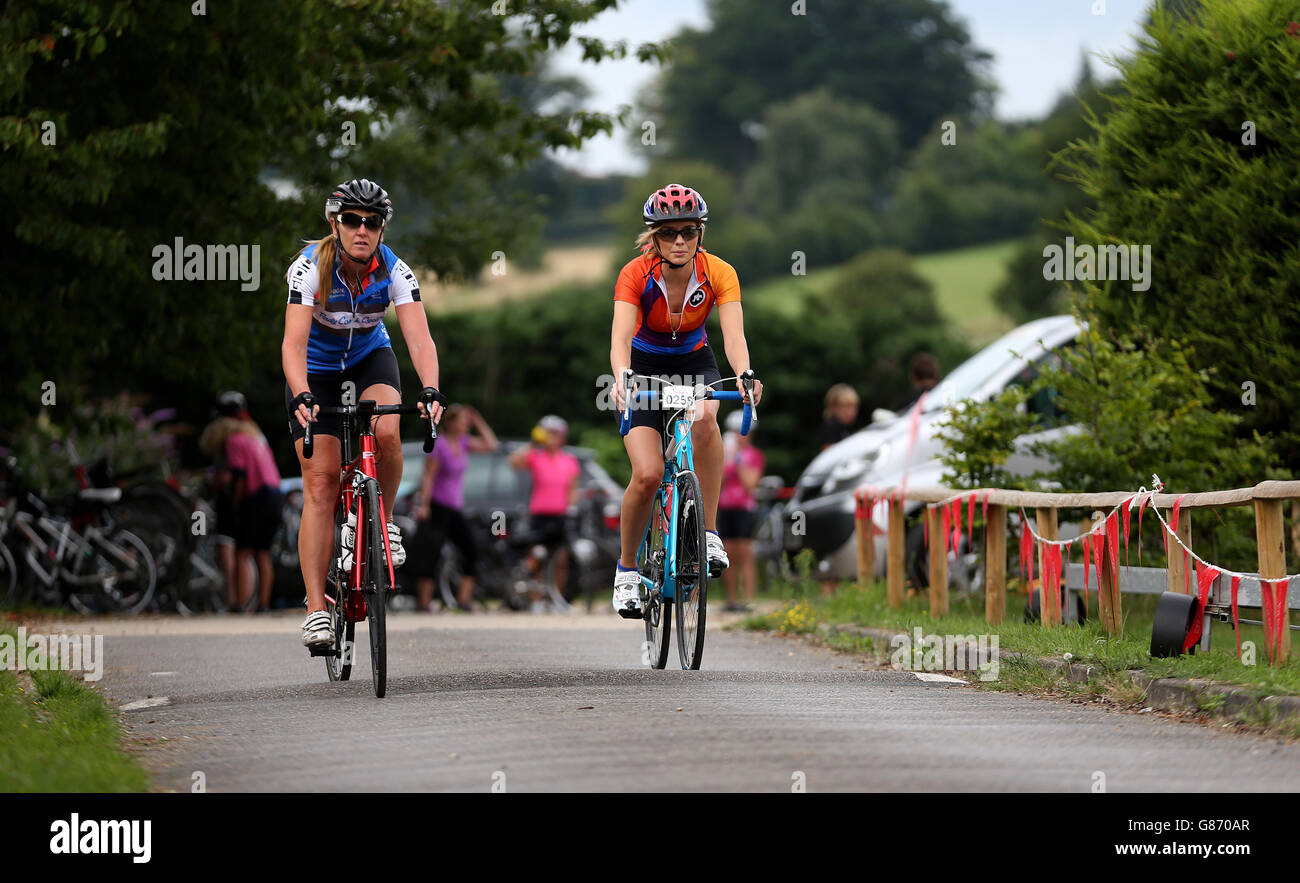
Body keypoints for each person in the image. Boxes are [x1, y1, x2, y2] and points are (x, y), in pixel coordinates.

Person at [282, 178, 446, 651]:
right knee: (320, 482)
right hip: (314, 370)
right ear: (335, 224)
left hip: (369, 358)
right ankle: (317, 609)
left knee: (389, 430)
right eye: (352, 220)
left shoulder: (394, 269)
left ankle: (385, 520)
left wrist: (431, 389)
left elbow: (419, 338)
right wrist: (301, 394)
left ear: (380, 229)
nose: (361, 230)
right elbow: (292, 344)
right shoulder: (309, 269)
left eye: (371, 223)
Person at [609, 183, 764, 618]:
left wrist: (745, 375)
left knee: (705, 420)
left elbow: (734, 336)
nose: (680, 241)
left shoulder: (719, 271)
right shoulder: (635, 274)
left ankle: (708, 531)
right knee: (647, 473)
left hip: (696, 361)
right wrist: (622, 377)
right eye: (669, 232)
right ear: (654, 237)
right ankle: (625, 571)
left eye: (689, 231)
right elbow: (620, 338)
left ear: (700, 234)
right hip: (643, 365)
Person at [412, 405, 498, 612]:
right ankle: (424, 603)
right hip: (437, 506)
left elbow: (491, 445)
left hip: (455, 507)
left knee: (471, 550)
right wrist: (423, 505)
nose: (465, 425)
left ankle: (464, 599)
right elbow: (428, 476)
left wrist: (477, 420)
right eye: (462, 421)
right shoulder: (439, 445)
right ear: (450, 422)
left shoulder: (463, 442)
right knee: (431, 554)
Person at [215, 391, 284, 612]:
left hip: (256, 496)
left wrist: (236, 503)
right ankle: (263, 603)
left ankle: (238, 603)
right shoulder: (257, 437)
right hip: (275, 493)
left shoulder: (234, 439)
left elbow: (240, 476)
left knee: (242, 551)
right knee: (263, 551)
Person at [507, 415, 580, 609]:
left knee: (561, 559)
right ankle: (536, 599)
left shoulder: (569, 460)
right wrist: (533, 441)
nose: (551, 437)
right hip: (539, 513)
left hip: (561, 514)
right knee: (537, 556)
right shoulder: (535, 456)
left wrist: (572, 509)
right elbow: (513, 462)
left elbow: (572, 490)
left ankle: (556, 598)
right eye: (548, 433)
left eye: (555, 434)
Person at [718, 409, 764, 613]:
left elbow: (750, 484)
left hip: (744, 509)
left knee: (744, 554)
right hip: (724, 507)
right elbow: (717, 482)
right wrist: (726, 459)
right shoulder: (725, 455)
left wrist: (737, 460)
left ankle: (749, 599)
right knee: (727, 554)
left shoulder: (753, 456)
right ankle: (732, 600)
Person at [820, 383, 859, 451]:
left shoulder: (843, 428)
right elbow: (829, 454)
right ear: (833, 407)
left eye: (854, 407)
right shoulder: (831, 427)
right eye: (847, 406)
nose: (852, 411)